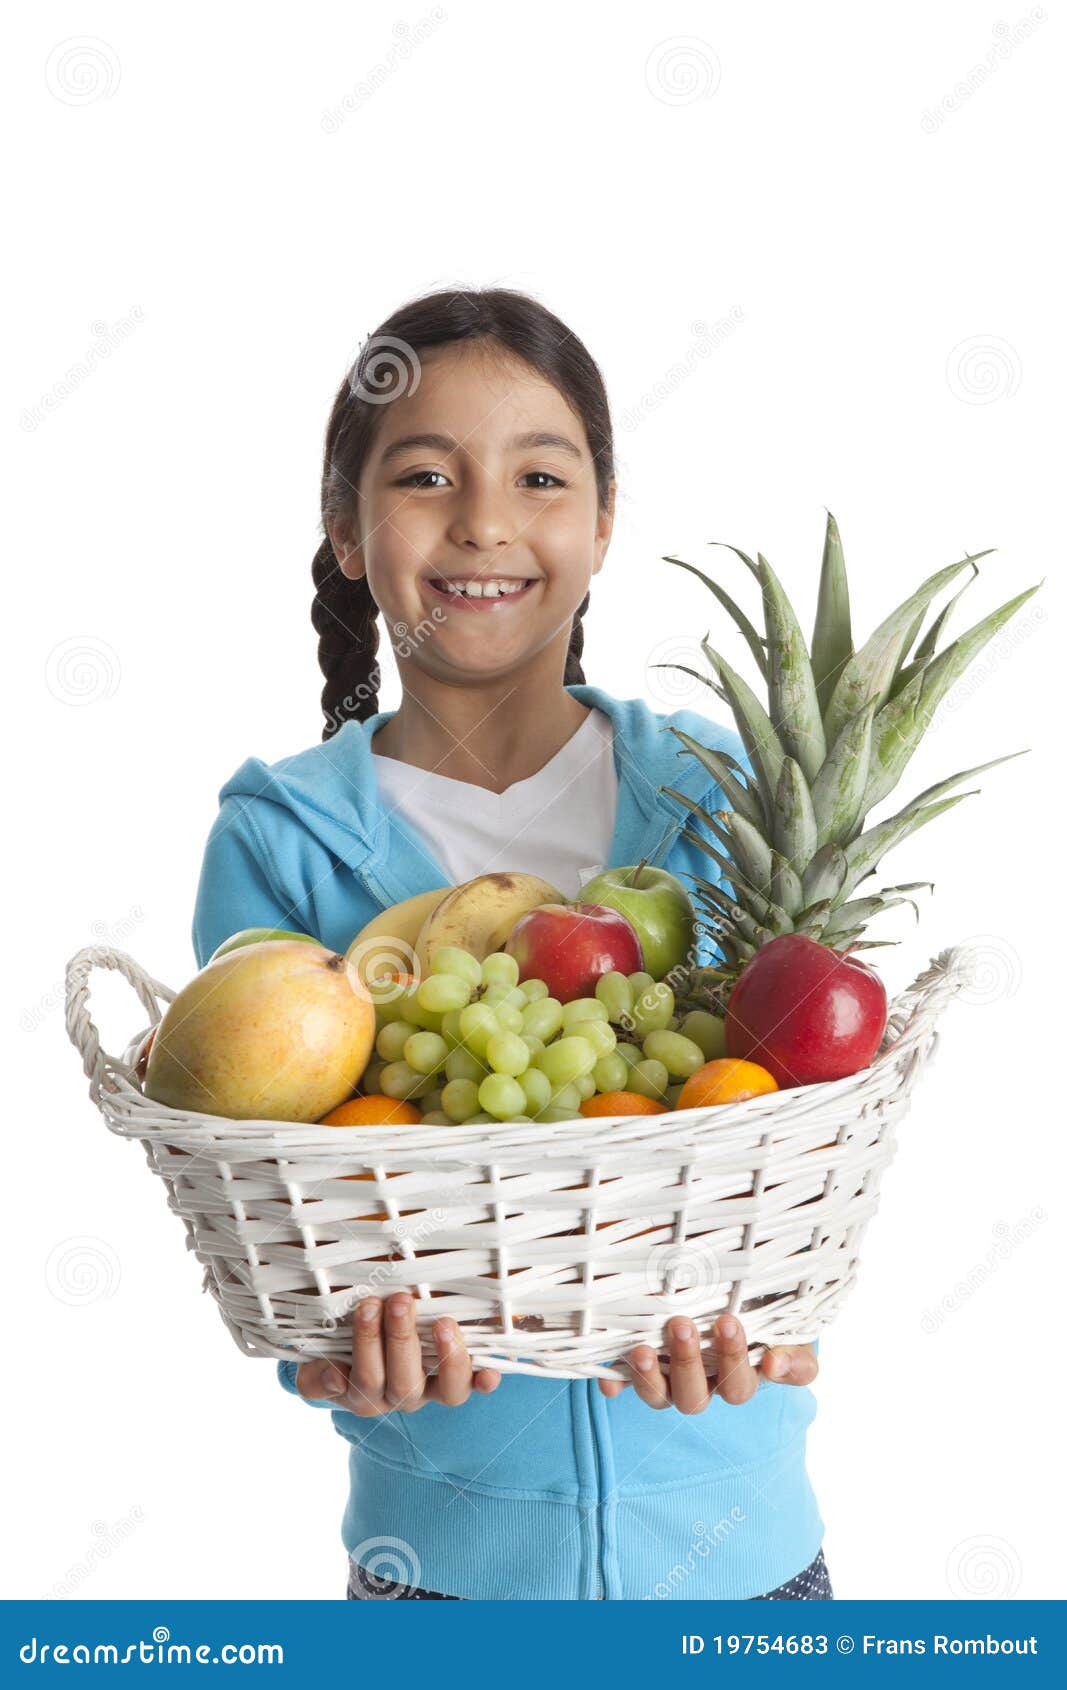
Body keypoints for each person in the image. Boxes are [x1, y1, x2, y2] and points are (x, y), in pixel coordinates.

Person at [191, 287, 830, 1602]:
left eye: (540, 476)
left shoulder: (731, 802)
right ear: (347, 532)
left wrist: (771, 1323)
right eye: (425, 476)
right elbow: (258, 1194)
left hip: (748, 1566)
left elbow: (804, 1144)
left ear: (602, 525)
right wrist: (333, 1359)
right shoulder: (283, 842)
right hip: (437, 1581)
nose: (483, 521)